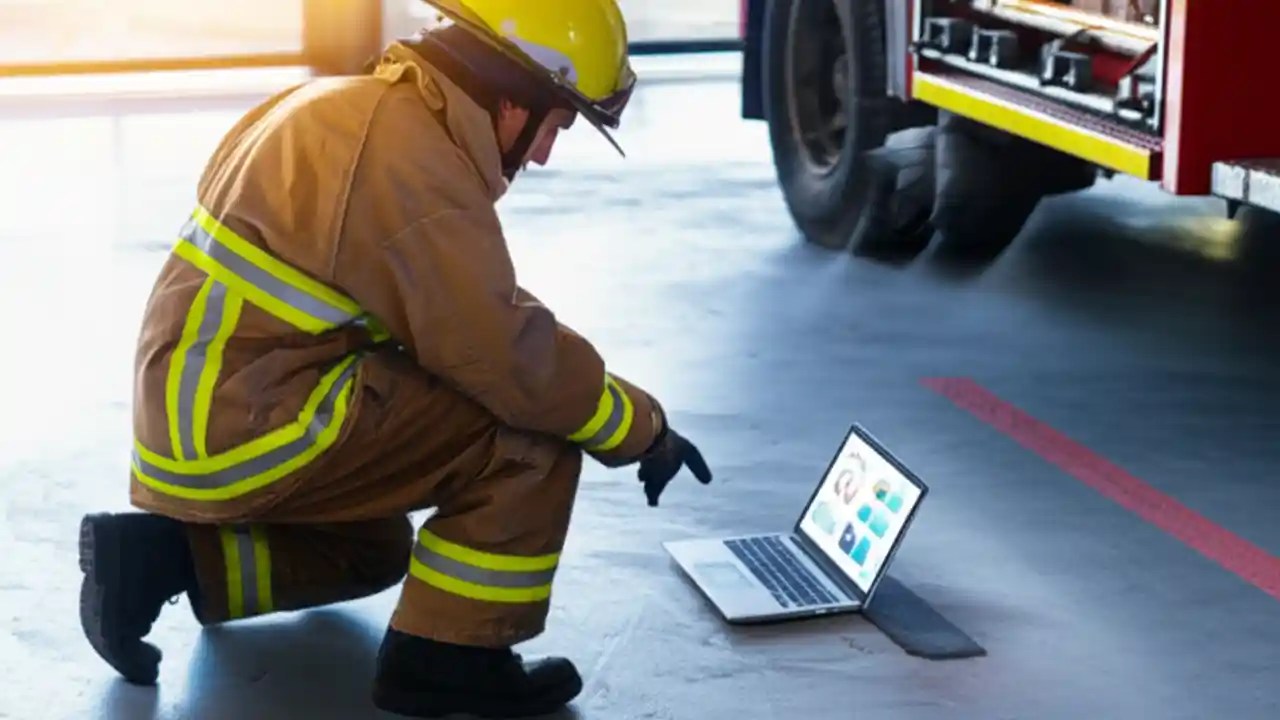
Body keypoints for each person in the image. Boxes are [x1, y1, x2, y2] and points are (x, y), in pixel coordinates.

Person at [76, 1, 712, 717]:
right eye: (554, 125)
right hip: (255, 423)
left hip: (201, 421)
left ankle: (157, 559)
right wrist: (640, 428)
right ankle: (450, 663)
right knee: (531, 439)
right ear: (514, 96)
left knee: (374, 548)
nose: (542, 154)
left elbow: (455, 301)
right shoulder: (410, 159)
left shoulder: (353, 111)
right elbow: (504, 356)